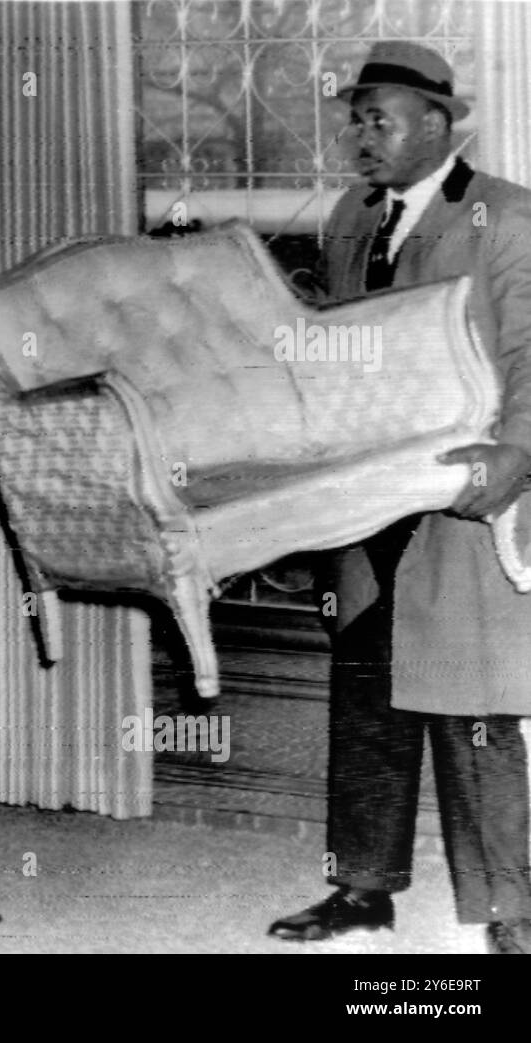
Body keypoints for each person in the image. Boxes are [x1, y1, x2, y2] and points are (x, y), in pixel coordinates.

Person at [265, 43, 531, 954]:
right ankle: (362, 888)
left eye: (378, 118)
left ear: (435, 124)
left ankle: (510, 912)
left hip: (463, 502)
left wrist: (518, 456)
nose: (360, 135)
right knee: (366, 694)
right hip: (366, 504)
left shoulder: (508, 216)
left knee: (477, 711)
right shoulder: (350, 217)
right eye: (356, 118)